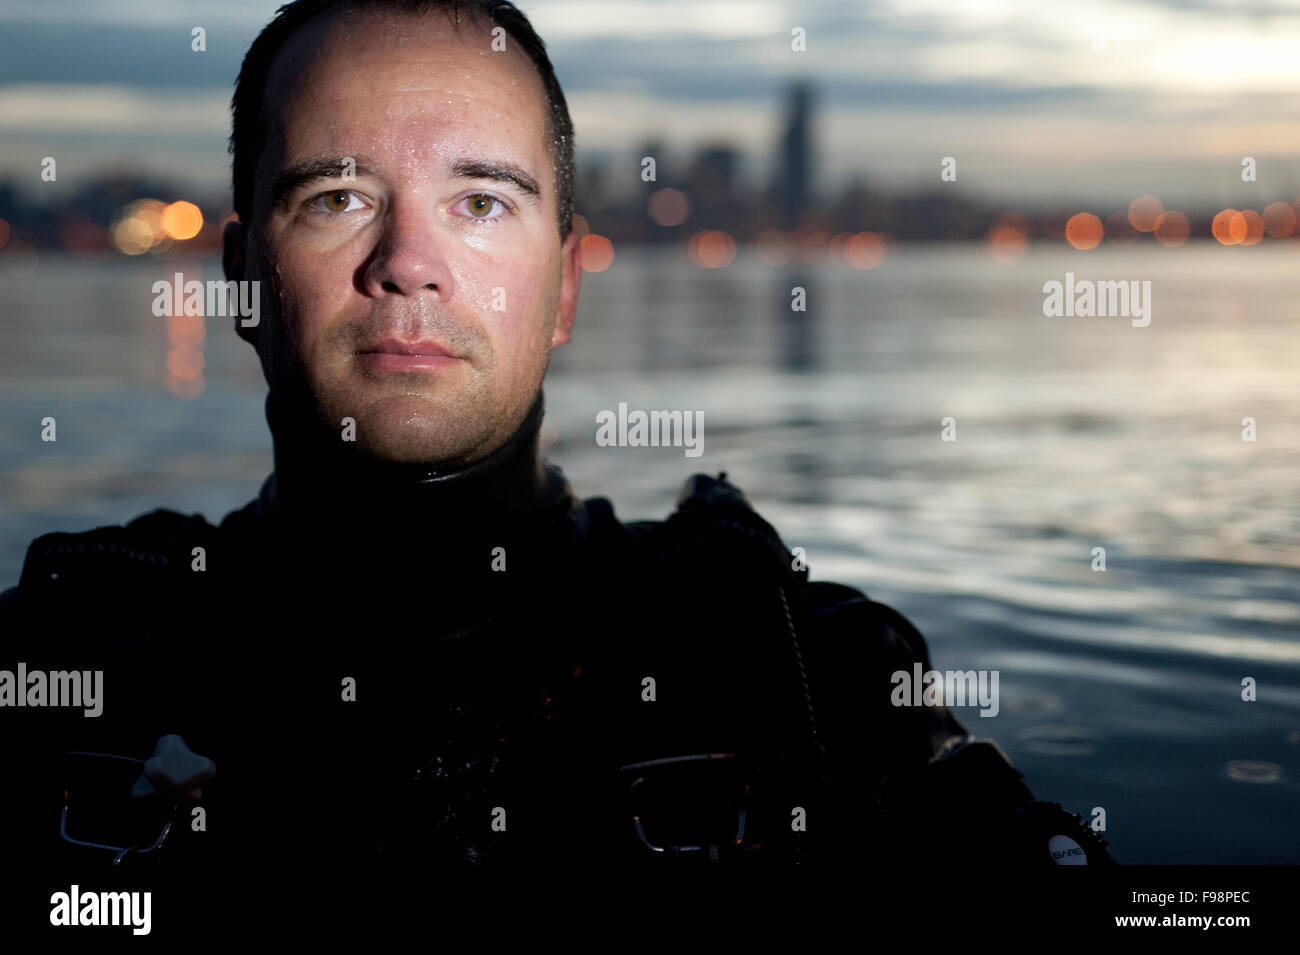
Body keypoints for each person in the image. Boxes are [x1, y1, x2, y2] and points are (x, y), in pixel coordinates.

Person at [0, 0, 1111, 883]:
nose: (408, 263)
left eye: (481, 203)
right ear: (243, 277)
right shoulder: (75, 651)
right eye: (337, 196)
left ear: (565, 286)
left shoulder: (794, 667)